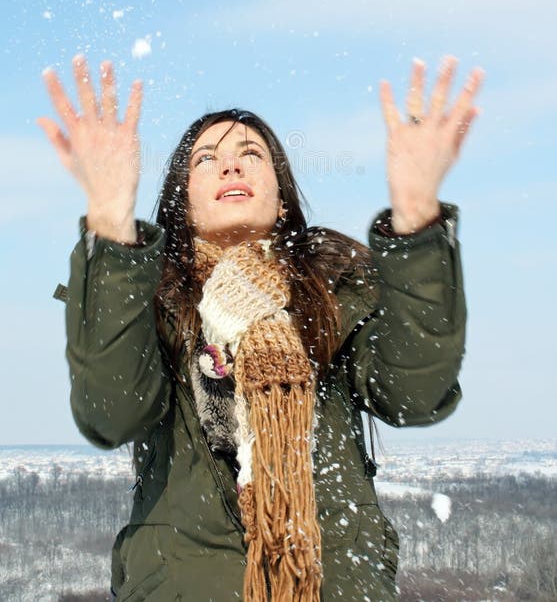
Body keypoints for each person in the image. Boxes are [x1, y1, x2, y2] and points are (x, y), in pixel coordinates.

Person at [38, 53, 483, 602]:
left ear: (281, 193)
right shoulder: (144, 299)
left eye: (252, 154)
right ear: (182, 201)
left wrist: (417, 219)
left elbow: (414, 394)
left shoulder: (337, 294)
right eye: (206, 159)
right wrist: (109, 220)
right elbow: (111, 412)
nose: (231, 166)